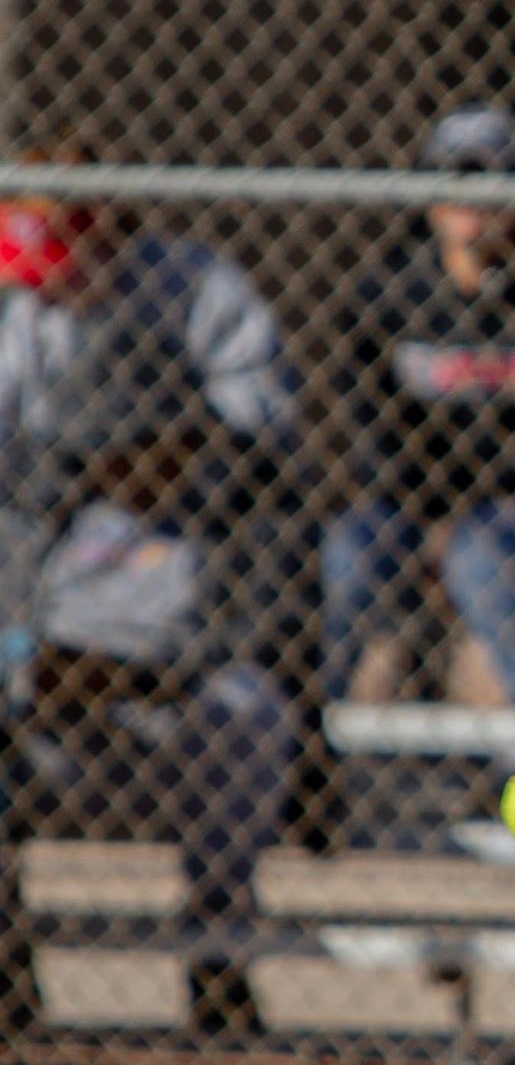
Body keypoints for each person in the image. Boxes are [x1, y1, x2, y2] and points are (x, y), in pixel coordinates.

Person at [0, 145, 303, 921]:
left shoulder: (219, 520)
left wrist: (135, 672)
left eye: (135, 432)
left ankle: (218, 944)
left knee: (247, 706)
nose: (116, 452)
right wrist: (37, 665)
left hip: (168, 730)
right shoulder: (44, 521)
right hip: (54, 738)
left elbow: (241, 633)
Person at [322, 105, 515, 710]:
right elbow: (368, 431)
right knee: (351, 553)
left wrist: (458, 522)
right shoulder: (387, 293)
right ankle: (305, 743)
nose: (471, 201)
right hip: (406, 510)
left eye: (489, 181)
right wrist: (425, 515)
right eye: (454, 180)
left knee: (483, 557)